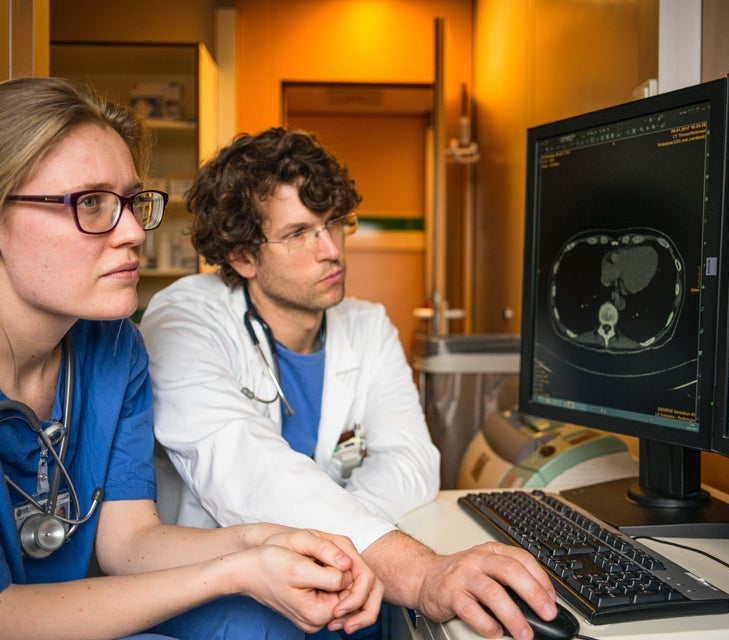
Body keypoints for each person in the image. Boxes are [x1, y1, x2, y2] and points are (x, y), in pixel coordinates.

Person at [0, 77, 383, 640]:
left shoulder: (114, 347)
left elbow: (128, 543)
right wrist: (236, 570)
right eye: (90, 202)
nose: (133, 232)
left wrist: (264, 542)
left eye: (132, 201)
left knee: (295, 625)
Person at [140, 126, 558, 640]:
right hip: (226, 589)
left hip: (345, 585)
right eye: (298, 234)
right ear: (241, 255)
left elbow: (412, 458)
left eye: (335, 223)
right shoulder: (183, 318)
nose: (331, 250)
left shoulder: (367, 325)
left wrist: (344, 541)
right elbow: (241, 466)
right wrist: (406, 564)